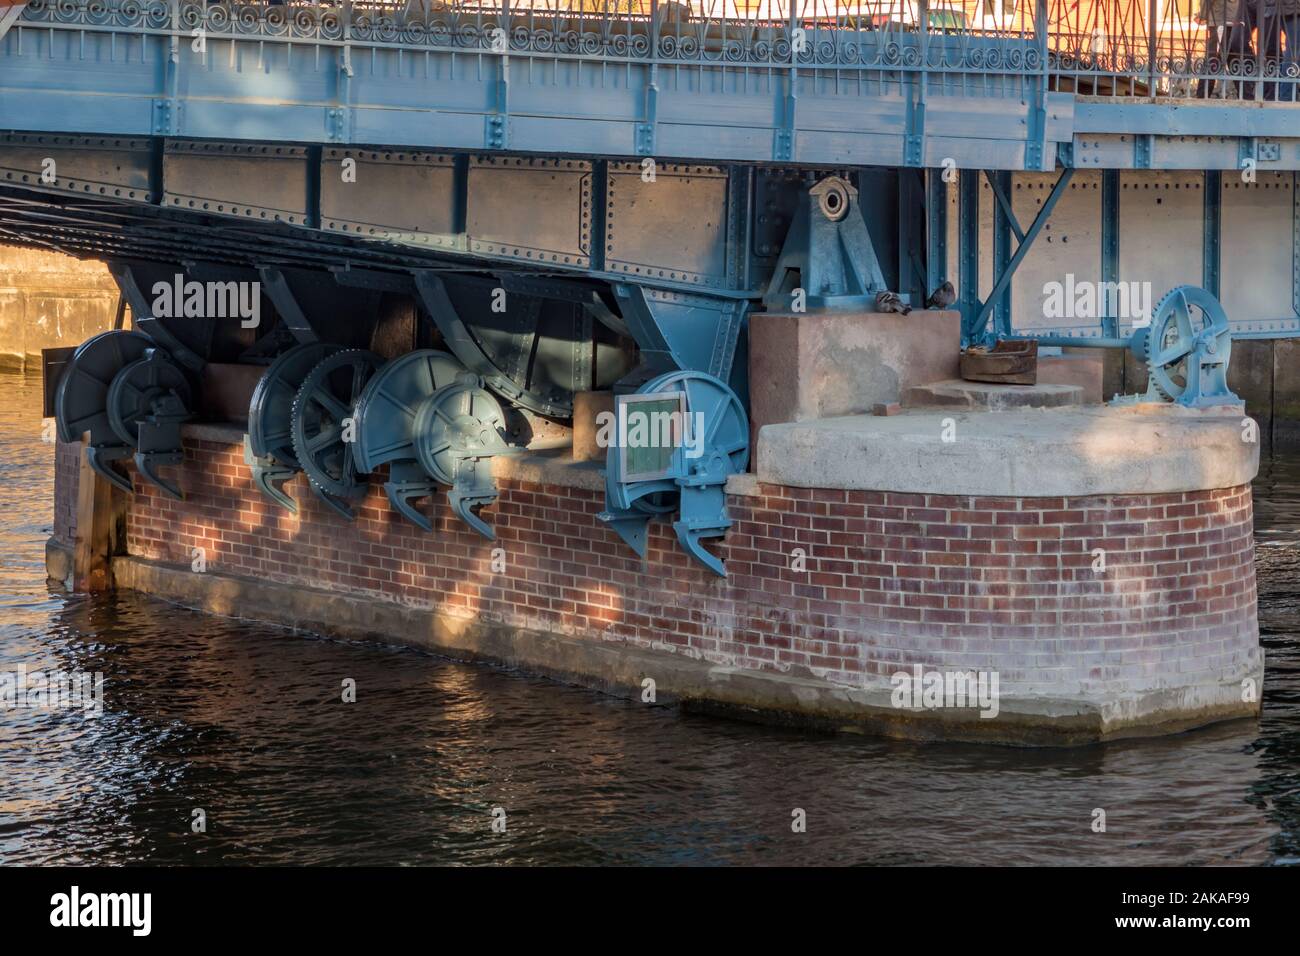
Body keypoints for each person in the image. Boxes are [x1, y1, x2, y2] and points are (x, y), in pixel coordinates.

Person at [1198, 0, 1253, 97]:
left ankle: (1202, 96)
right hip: (1235, 19)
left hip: (1220, 20)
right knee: (1234, 61)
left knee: (1212, 60)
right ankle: (1247, 95)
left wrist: (1202, 15)